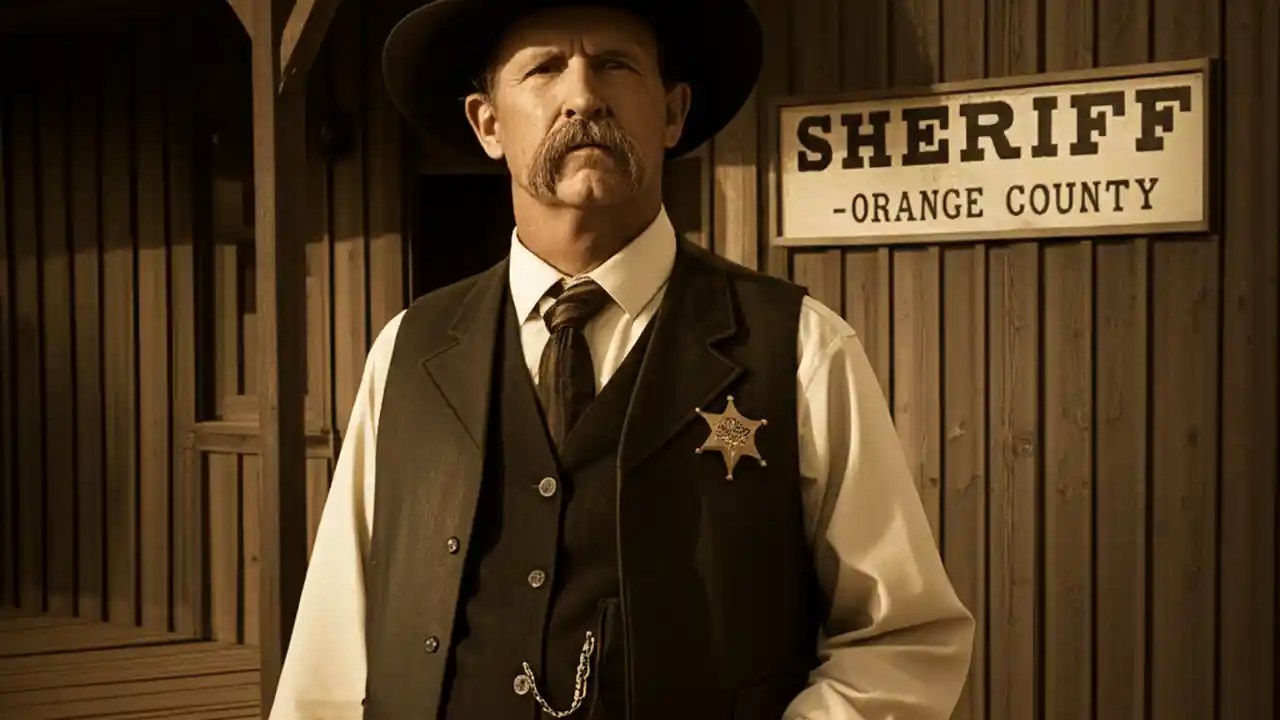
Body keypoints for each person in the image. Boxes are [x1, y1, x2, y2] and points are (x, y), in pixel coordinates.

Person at [270, 0, 974, 718]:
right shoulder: (408, 352)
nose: (582, 96)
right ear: (487, 124)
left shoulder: (797, 348)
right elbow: (332, 648)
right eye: (545, 67)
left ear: (672, 113)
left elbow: (903, 639)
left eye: (614, 65)